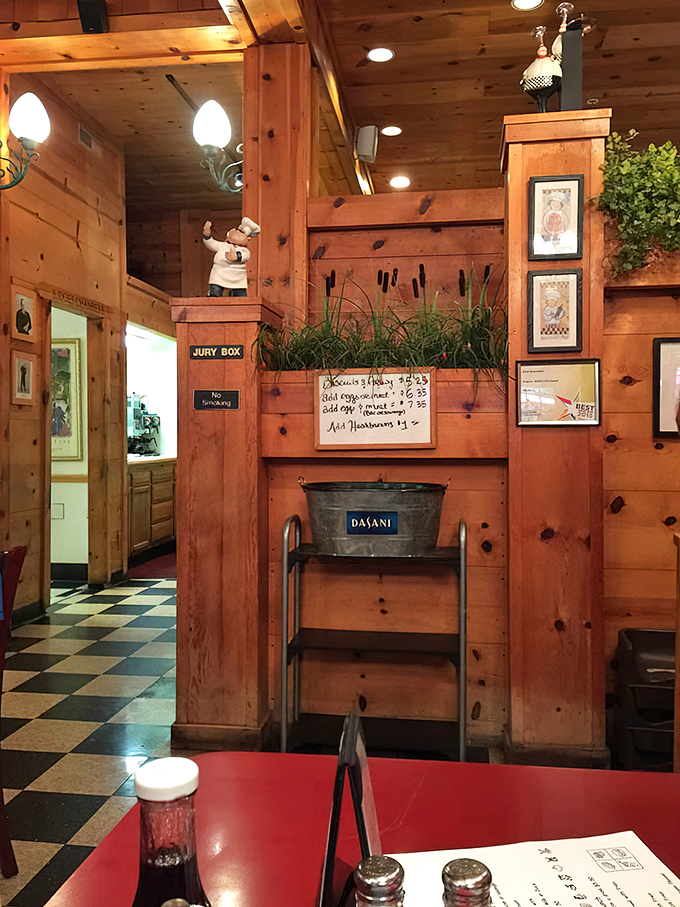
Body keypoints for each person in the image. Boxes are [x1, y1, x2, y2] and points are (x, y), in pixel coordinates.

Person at [202, 217, 261, 297]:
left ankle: (241, 300)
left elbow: (245, 256)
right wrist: (207, 234)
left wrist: (237, 256)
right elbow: (211, 243)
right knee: (215, 289)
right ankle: (214, 297)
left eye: (241, 232)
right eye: (237, 230)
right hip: (219, 272)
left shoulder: (244, 250)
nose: (236, 232)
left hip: (237, 275)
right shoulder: (223, 245)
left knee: (239, 292)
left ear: (247, 238)